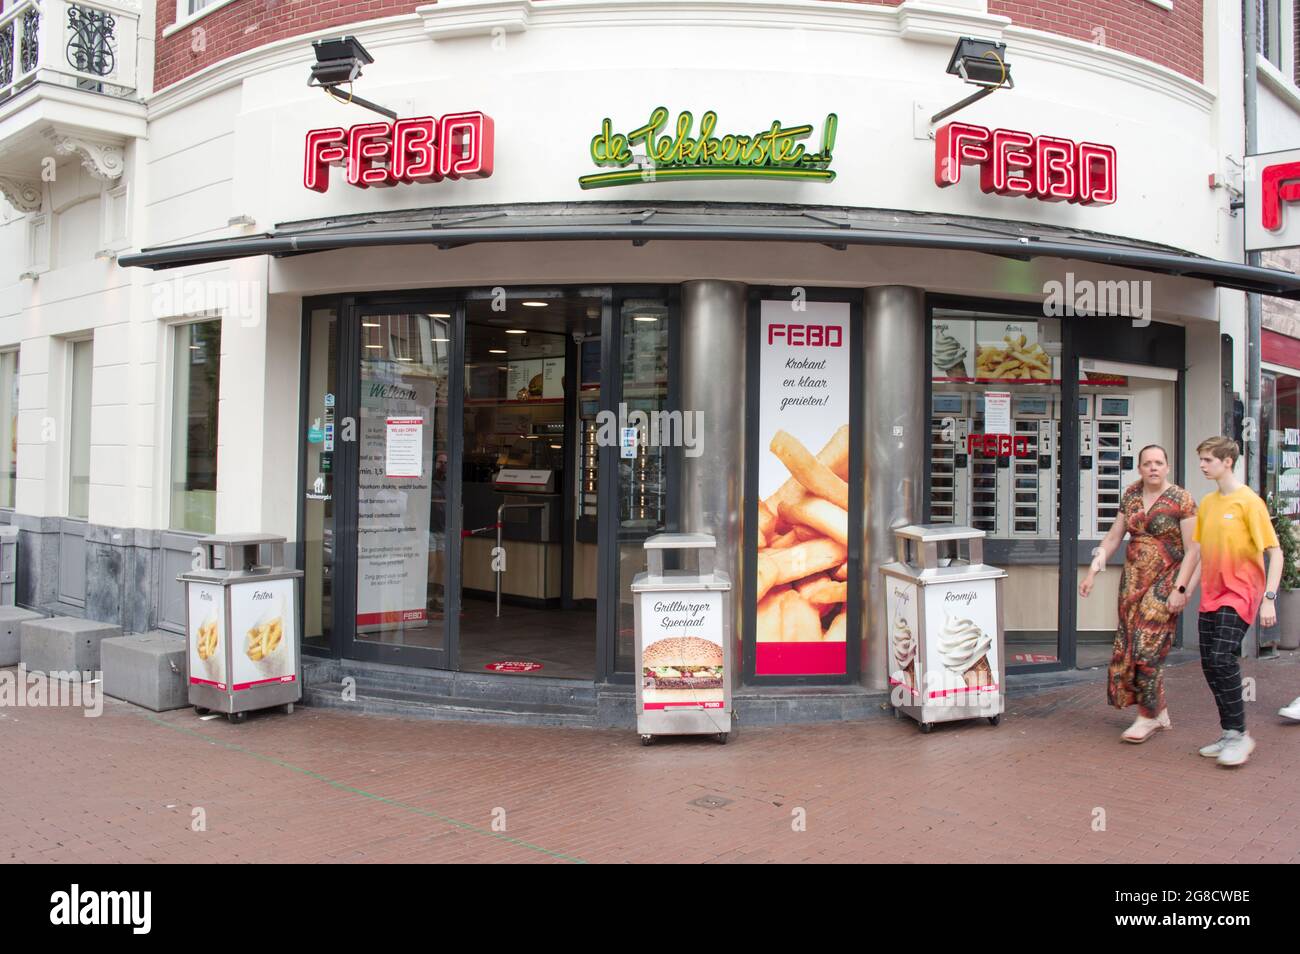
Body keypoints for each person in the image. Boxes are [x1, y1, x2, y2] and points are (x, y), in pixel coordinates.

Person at [1169, 436, 1283, 768]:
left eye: (1208, 460)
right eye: (1201, 459)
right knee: (1211, 663)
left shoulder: (1249, 502)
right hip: (1212, 594)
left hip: (1242, 593)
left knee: (1221, 657)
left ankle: (1240, 736)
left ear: (1227, 461)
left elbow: (1275, 554)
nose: (1202, 465)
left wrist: (1269, 599)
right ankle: (1229, 732)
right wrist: (1181, 589)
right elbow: (1198, 551)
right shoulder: (1208, 503)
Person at [1080, 444, 1198, 742]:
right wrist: (1094, 569)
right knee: (1133, 644)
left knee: (1147, 646)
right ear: (1140, 468)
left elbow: (1195, 550)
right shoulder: (1131, 495)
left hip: (1167, 580)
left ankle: (1146, 718)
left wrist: (1181, 589)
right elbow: (1113, 536)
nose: (1153, 467)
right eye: (1148, 463)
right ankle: (1157, 710)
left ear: (1167, 467)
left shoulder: (1182, 499)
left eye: (1159, 462)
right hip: (1133, 582)